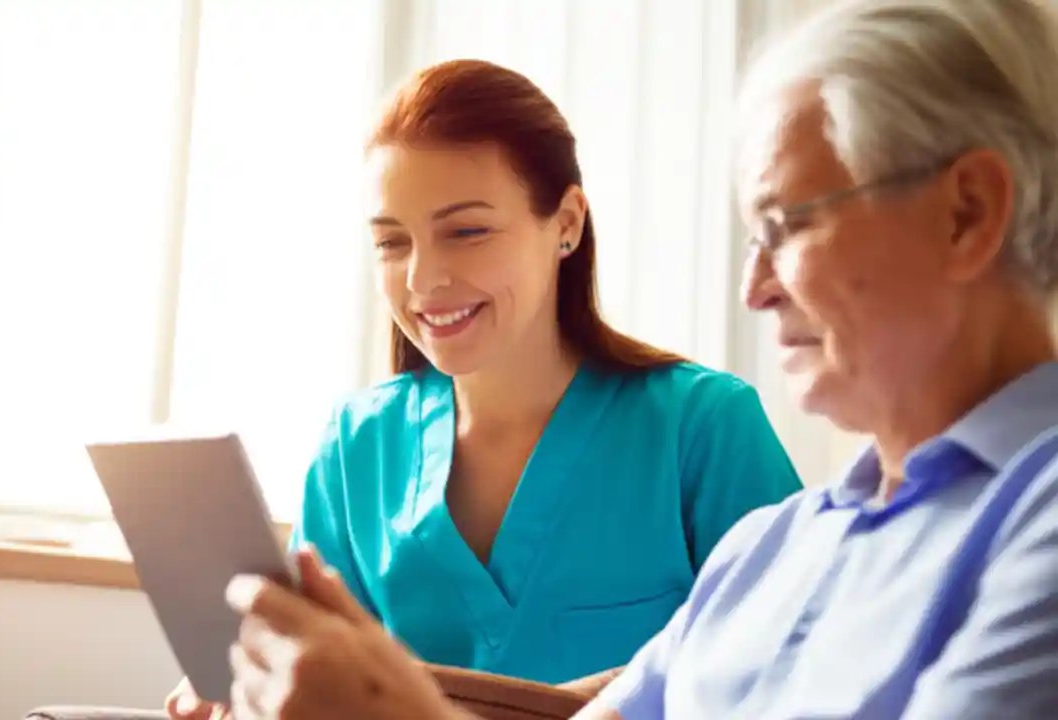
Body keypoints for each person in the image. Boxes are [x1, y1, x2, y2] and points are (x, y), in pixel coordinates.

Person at [212, 0, 1058, 717]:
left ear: (967, 212)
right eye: (392, 241)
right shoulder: (770, 549)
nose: (754, 290)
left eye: (790, 225)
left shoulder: (1036, 527)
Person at [167, 59, 802, 718]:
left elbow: (798, 670)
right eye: (391, 243)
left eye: (466, 231)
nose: (422, 279)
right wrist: (247, 688)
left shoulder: (704, 429)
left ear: (567, 224)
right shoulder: (357, 449)